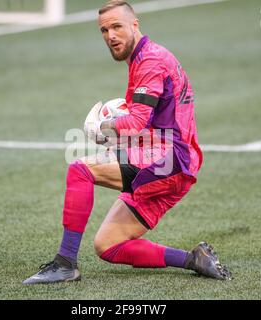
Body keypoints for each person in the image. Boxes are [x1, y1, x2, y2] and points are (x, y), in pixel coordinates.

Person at [22, 0, 231, 285]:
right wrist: (120, 143)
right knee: (107, 245)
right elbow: (147, 123)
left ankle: (65, 263)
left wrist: (101, 128)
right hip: (172, 162)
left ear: (135, 25)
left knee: (80, 170)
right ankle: (194, 258)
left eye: (117, 27)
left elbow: (135, 123)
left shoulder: (151, 61)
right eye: (104, 30)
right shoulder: (144, 58)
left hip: (168, 161)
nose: (110, 36)